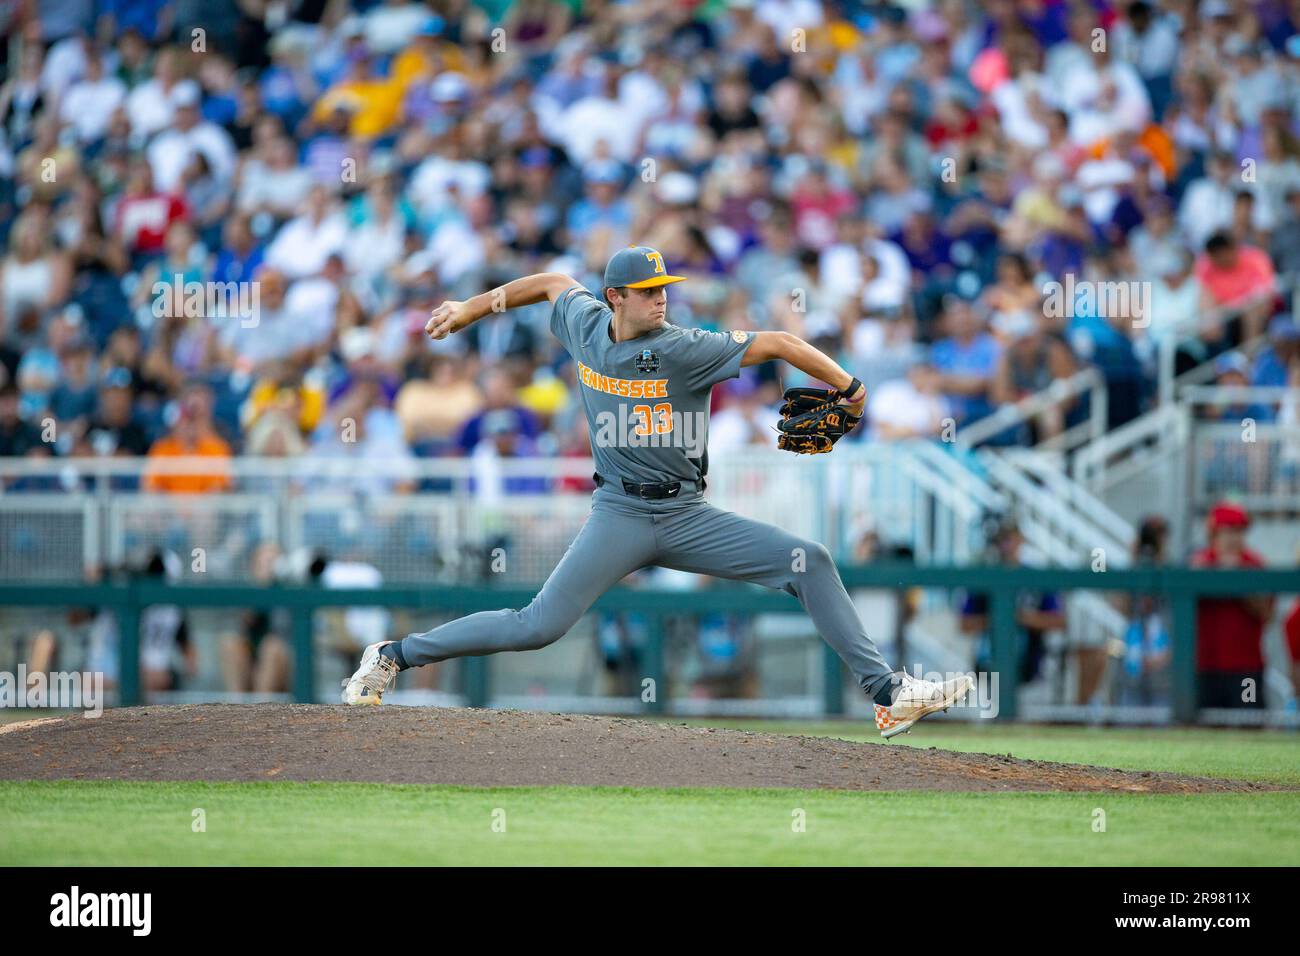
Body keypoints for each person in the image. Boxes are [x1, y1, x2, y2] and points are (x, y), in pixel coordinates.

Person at [343, 245, 974, 738]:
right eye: (648, 293)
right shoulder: (585, 325)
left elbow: (779, 343)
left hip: (685, 513)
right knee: (537, 625)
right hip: (617, 512)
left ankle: (889, 695)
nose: (661, 300)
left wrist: (850, 386)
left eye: (664, 289)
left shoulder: (685, 347)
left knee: (809, 560)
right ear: (615, 297)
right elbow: (549, 282)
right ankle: (394, 655)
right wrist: (468, 308)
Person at [1192, 501, 1275, 710]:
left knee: (1249, 724)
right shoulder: (1199, 564)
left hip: (1246, 669)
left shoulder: (1255, 564)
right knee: (1202, 731)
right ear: (1214, 533)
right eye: (1228, 530)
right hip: (1206, 668)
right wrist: (1213, 574)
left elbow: (1267, 614)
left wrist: (1239, 580)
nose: (1234, 537)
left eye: (1239, 530)